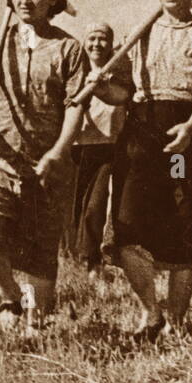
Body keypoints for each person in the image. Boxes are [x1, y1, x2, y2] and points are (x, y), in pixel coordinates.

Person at [0, 0, 86, 326]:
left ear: (51, 1)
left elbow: (75, 107)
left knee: (39, 253)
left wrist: (59, 152)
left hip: (48, 165)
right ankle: (11, 296)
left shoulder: (68, 48)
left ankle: (34, 318)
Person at [113, 0, 192, 337]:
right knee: (127, 226)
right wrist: (97, 84)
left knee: (182, 221)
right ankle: (151, 313)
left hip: (183, 139)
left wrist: (191, 129)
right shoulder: (139, 31)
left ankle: (175, 321)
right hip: (142, 136)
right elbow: (123, 91)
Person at [67, 22, 130, 279]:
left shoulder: (120, 72)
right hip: (78, 147)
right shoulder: (75, 72)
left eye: (102, 39)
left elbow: (123, 97)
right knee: (76, 209)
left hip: (109, 146)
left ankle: (96, 263)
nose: (96, 44)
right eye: (91, 38)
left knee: (96, 207)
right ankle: (84, 261)